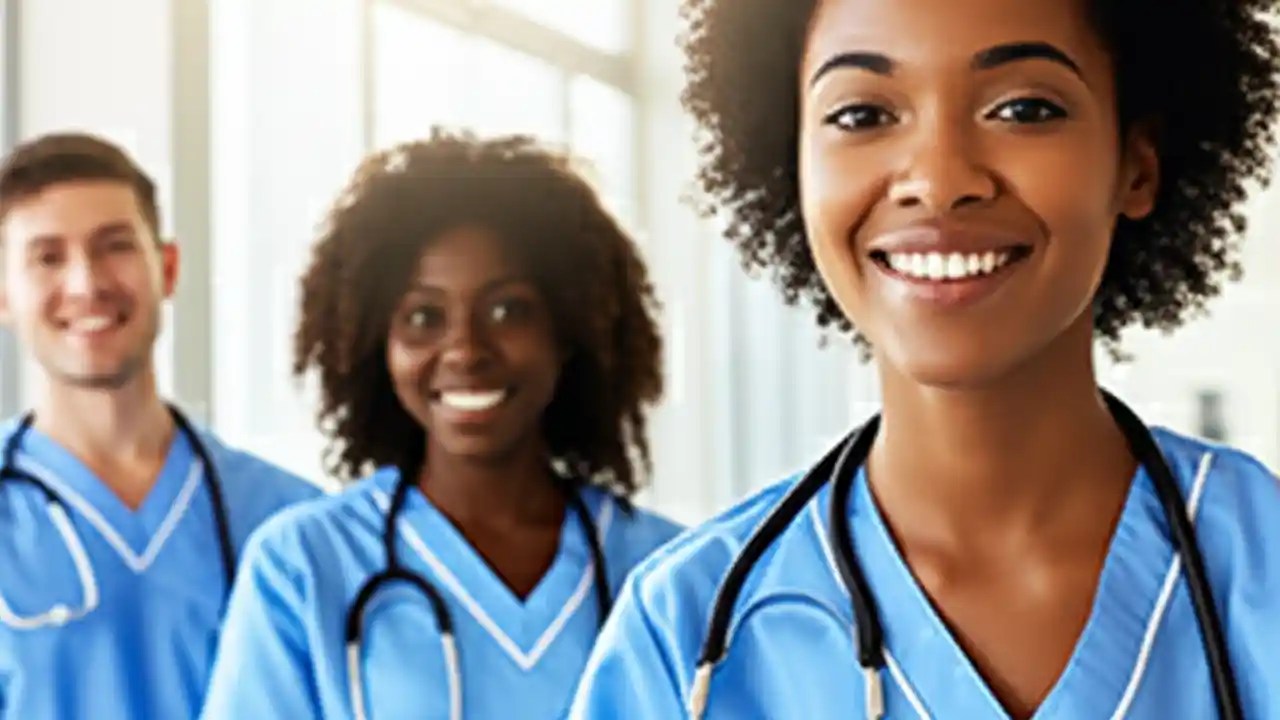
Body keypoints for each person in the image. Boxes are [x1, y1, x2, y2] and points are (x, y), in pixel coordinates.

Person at [569, 0, 1280, 718]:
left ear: (1136, 167)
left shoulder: (1262, 566)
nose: (939, 180)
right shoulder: (681, 635)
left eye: (1024, 109)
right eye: (861, 116)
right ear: (795, 165)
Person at [199, 130, 684, 719]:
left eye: (508, 310)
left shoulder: (667, 570)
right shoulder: (305, 564)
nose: (465, 350)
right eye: (424, 317)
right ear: (376, 346)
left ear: (569, 331)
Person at [0, 132, 322, 718]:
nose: (86, 284)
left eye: (114, 246)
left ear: (167, 268)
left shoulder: (288, 521)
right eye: (48, 257)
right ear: (4, 292)